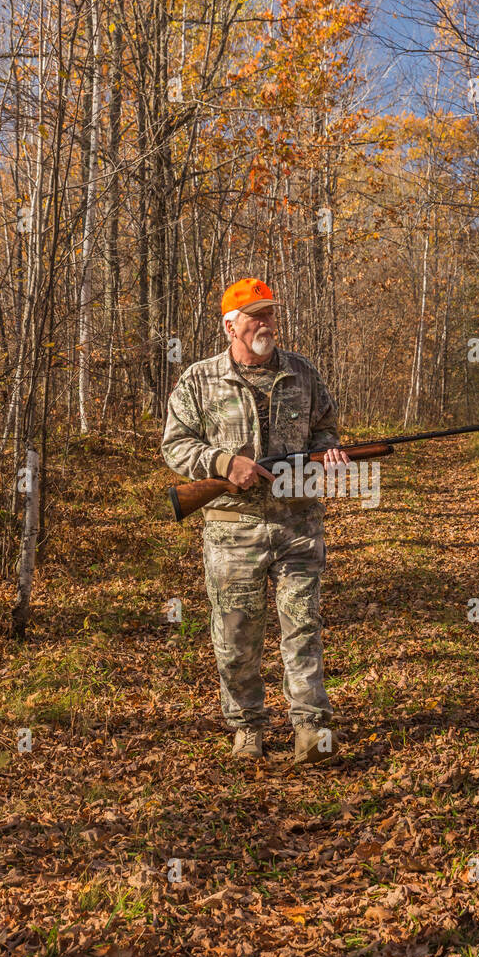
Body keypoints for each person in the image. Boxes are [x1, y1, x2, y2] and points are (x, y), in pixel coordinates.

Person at [161, 278, 349, 762]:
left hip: (298, 523)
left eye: (270, 314)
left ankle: (311, 728)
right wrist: (225, 465)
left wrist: (329, 452)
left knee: (303, 624)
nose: (265, 324)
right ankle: (248, 726)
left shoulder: (302, 373)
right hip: (232, 530)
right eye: (254, 316)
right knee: (236, 633)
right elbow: (175, 444)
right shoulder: (200, 379)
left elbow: (326, 427)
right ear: (230, 326)